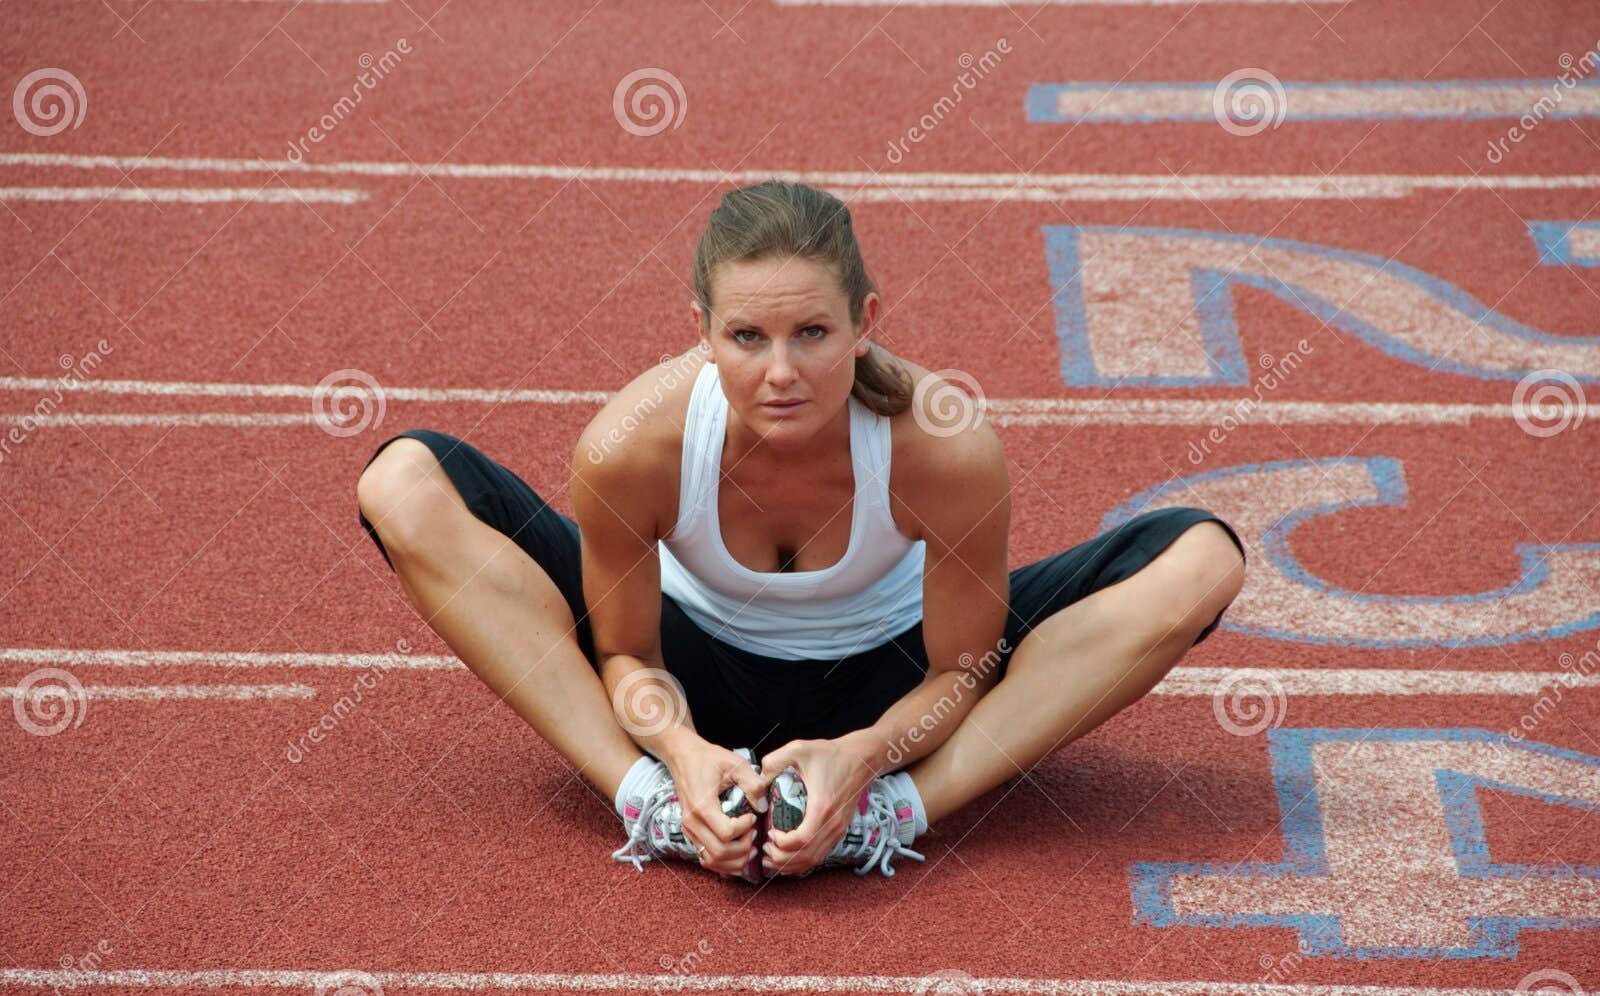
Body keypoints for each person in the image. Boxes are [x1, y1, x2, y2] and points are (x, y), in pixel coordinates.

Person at [355, 180, 1246, 884]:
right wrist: (673, 748)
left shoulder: (944, 445)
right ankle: (649, 805)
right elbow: (626, 656)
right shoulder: (632, 445)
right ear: (701, 332)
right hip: (692, 668)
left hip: (888, 683)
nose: (781, 372)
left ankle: (892, 816)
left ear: (866, 322)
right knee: (402, 483)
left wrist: (868, 758)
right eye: (748, 335)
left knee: (1201, 559)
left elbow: (959, 670)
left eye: (813, 332)